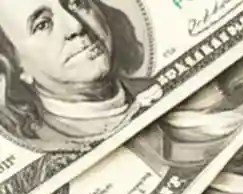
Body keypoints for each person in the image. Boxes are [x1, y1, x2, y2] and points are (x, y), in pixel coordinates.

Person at [0, 0, 148, 148]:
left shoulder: (151, 88)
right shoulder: (45, 143)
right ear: (14, 64)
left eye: (76, 2)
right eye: (42, 25)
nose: (76, 25)